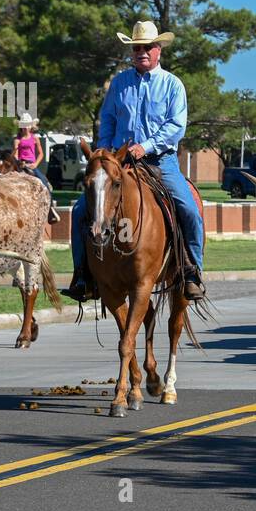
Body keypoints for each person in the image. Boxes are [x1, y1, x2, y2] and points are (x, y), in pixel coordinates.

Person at [66, 20, 204, 302]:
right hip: (119, 163)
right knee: (81, 210)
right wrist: (103, 153)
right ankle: (83, 274)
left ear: (158, 50)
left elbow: (176, 125)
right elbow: (108, 120)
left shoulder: (172, 85)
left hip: (159, 161)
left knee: (188, 208)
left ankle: (192, 270)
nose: (141, 51)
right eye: (136, 47)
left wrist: (147, 146)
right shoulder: (119, 83)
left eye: (147, 47)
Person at [13, 115, 61, 223]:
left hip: (31, 165)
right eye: (23, 126)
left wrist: (35, 164)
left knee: (44, 182)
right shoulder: (17, 139)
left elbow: (41, 154)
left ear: (30, 126)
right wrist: (18, 161)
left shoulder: (34, 138)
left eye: (27, 126)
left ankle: (50, 209)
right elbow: (15, 154)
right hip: (20, 164)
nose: (25, 128)